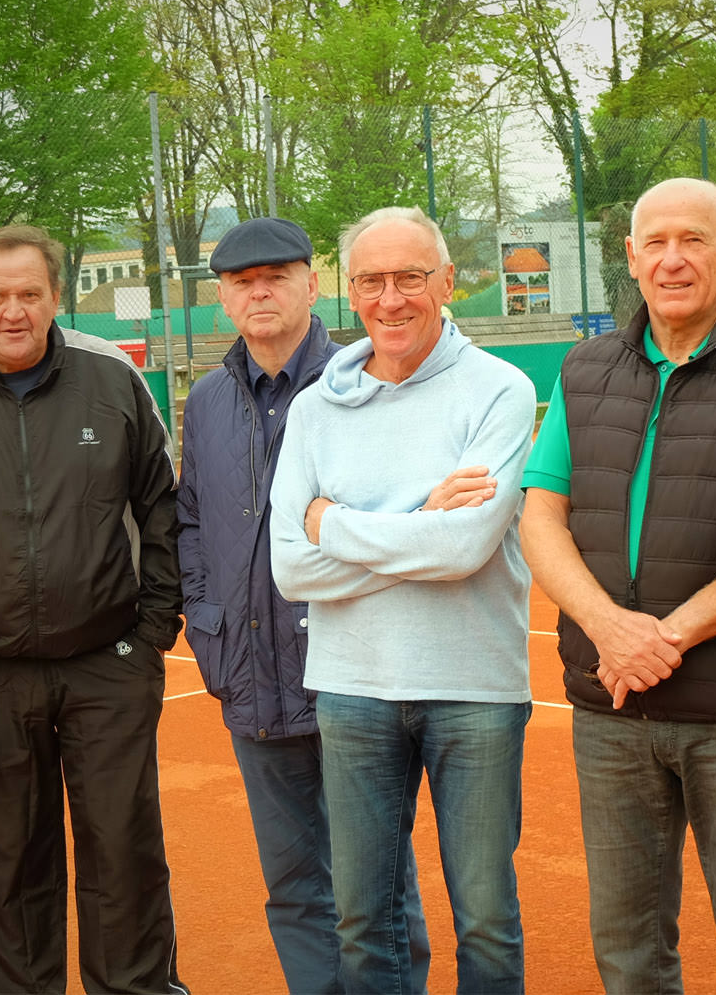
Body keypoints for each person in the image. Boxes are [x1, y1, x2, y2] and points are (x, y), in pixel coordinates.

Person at [519, 177, 716, 993]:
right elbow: (541, 519)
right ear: (632, 257)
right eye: (656, 242)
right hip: (613, 710)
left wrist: (666, 635)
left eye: (695, 240)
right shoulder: (583, 370)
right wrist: (609, 628)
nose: (673, 259)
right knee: (628, 949)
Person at [0, 224, 187, 994]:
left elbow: (162, 507)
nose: (13, 311)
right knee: (3, 871)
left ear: (57, 295)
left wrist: (151, 631)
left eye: (30, 293)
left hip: (107, 665)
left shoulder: (113, 380)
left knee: (123, 855)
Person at [269, 207, 537, 994]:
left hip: (475, 692)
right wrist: (423, 521)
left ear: (447, 282)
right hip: (352, 691)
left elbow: (465, 549)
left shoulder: (501, 390)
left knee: (485, 917)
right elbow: (292, 569)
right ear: (350, 293)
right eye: (372, 281)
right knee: (363, 917)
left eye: (410, 277)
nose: (392, 298)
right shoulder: (316, 407)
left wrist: (339, 525)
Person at [176, 217, 433, 992]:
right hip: (249, 677)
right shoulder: (210, 399)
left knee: (376, 887)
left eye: (277, 276)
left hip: (352, 677)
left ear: (312, 286)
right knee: (292, 885)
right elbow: (192, 521)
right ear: (221, 296)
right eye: (242, 282)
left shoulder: (363, 381)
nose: (260, 291)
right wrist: (207, 625)